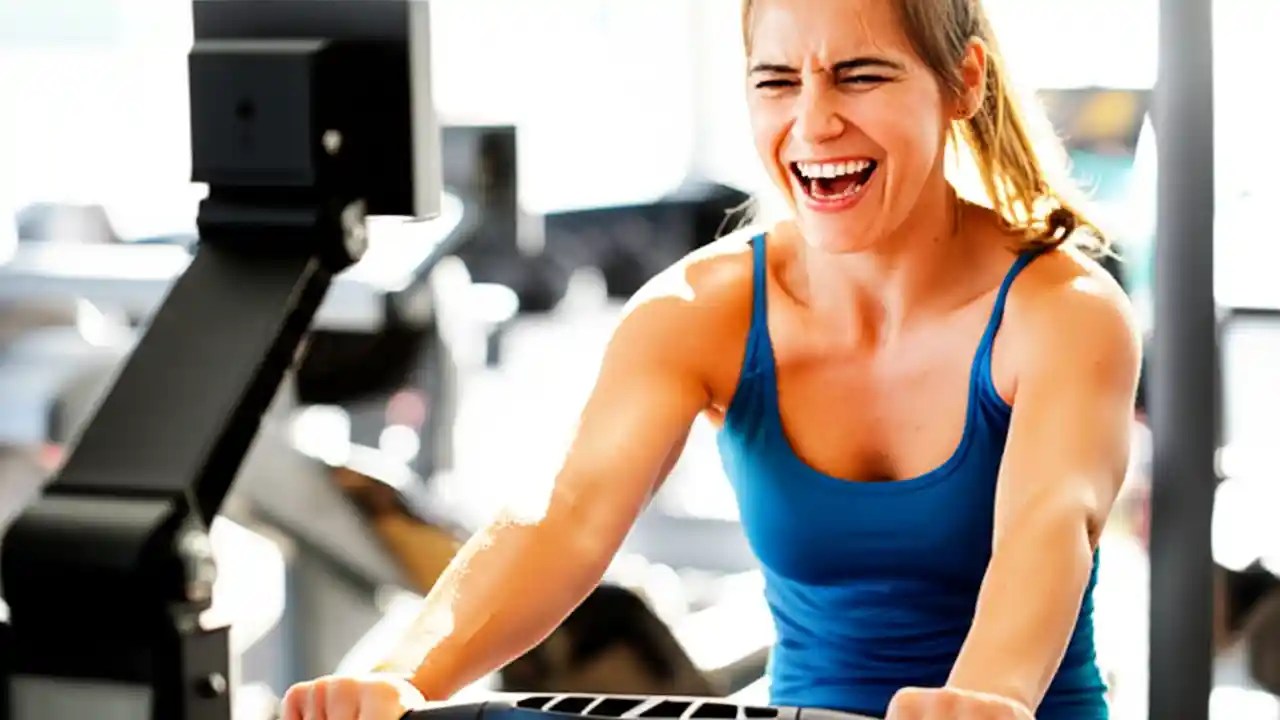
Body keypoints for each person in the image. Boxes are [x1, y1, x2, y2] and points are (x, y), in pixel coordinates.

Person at [282, 0, 1141, 718]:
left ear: (963, 83)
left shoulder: (1065, 313)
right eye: (776, 82)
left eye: (860, 74)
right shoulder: (702, 310)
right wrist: (398, 678)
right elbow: (566, 516)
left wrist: (985, 696)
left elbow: (1048, 527)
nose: (813, 121)